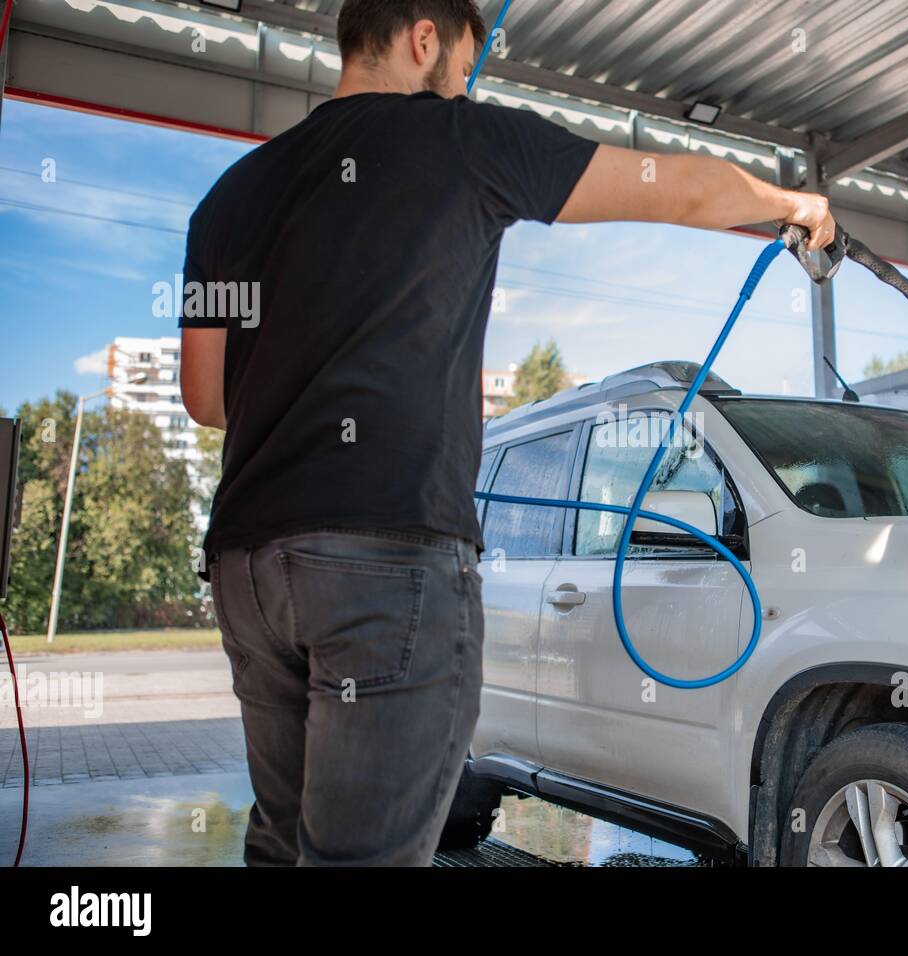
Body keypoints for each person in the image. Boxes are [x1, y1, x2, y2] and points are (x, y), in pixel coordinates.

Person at [180, 0, 837, 866]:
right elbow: (669, 185)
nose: (463, 83)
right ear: (423, 39)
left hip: (248, 568)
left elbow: (204, 397)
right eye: (460, 63)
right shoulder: (458, 139)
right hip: (384, 560)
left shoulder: (227, 198)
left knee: (284, 837)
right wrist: (793, 201)